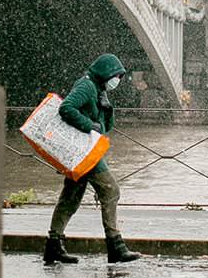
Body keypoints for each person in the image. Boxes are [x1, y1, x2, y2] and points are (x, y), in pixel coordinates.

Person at [42, 52, 142, 265]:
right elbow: (66, 108)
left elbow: (105, 124)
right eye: (116, 76)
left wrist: (104, 110)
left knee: (70, 197)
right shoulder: (87, 87)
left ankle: (53, 246)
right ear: (106, 72)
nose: (118, 81)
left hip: (84, 151)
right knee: (111, 190)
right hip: (84, 151)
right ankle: (115, 246)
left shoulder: (98, 89)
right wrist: (90, 126)